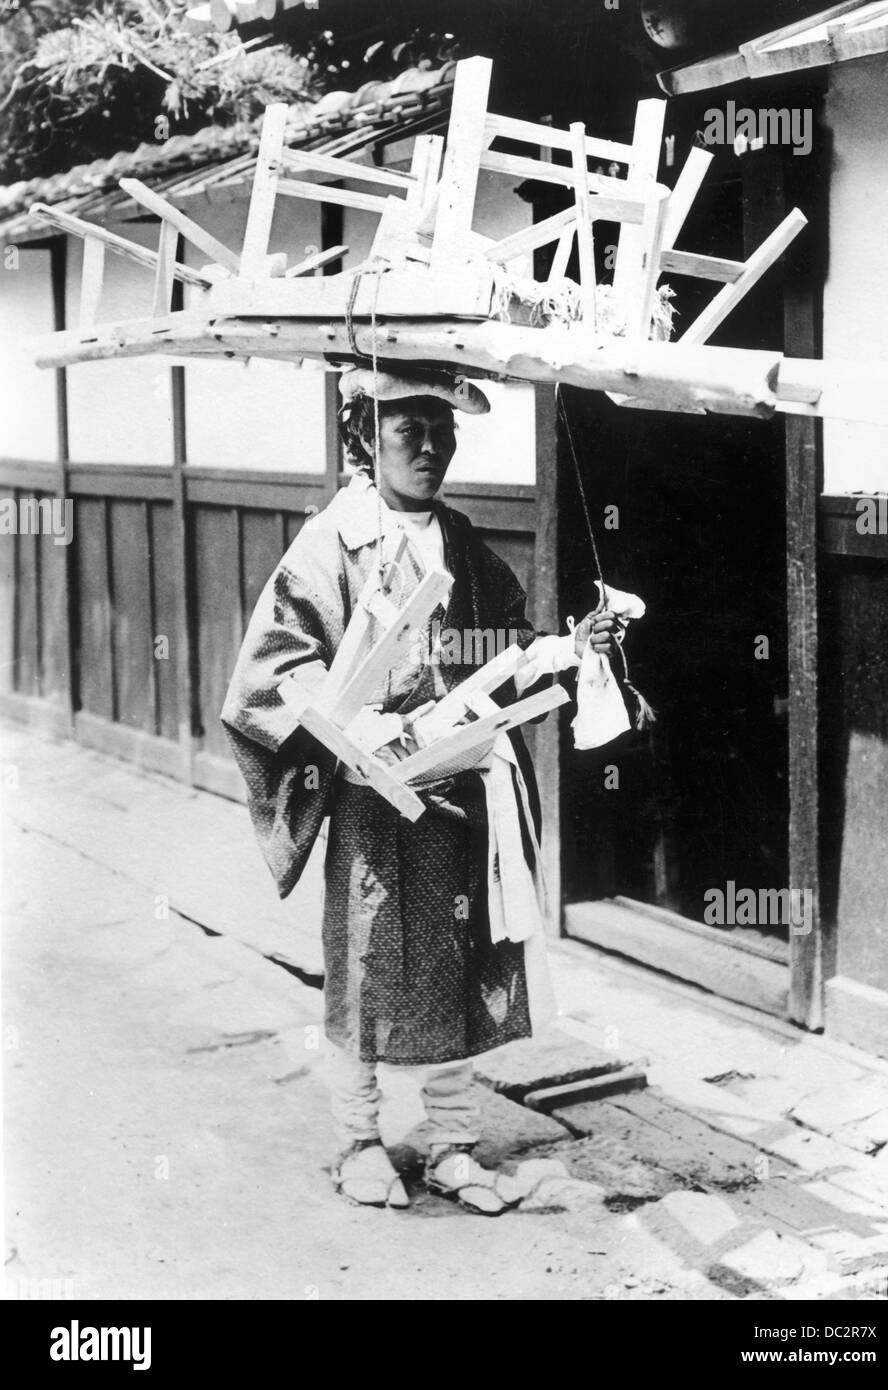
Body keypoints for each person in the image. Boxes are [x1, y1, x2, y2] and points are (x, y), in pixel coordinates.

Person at [221, 364, 625, 1214]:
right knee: (367, 965)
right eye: (410, 427)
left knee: (459, 964)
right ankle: (359, 1140)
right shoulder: (331, 542)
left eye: (443, 428)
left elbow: (503, 655)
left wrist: (567, 649)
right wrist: (350, 729)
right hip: (373, 801)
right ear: (365, 435)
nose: (431, 446)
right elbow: (269, 676)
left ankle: (449, 1143)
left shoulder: (461, 539)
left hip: (454, 794)